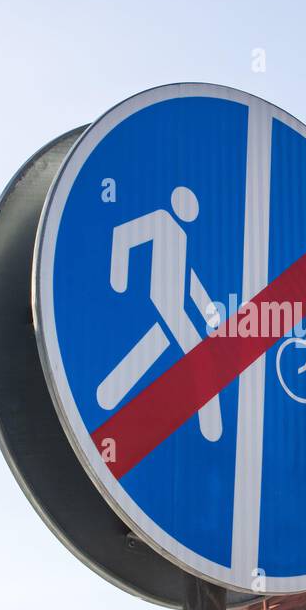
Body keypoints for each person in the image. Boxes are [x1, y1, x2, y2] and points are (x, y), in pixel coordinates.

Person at [96, 186, 222, 441]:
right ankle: (212, 426)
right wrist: (119, 279)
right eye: (189, 206)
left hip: (174, 304)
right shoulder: (161, 220)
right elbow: (124, 236)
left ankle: (108, 394)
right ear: (179, 204)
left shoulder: (182, 235)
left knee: (152, 346)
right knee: (200, 354)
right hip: (163, 300)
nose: (192, 212)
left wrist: (207, 309)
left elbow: (189, 276)